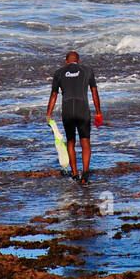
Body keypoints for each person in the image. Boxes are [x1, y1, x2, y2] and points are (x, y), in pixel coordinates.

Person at [46, 50, 103, 184]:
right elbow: (94, 92)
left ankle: (75, 174)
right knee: (85, 142)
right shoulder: (87, 71)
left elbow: (53, 95)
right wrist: (98, 112)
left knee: (71, 141)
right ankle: (84, 175)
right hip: (83, 109)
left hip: (67, 110)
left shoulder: (59, 72)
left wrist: (48, 114)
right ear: (78, 61)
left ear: (66, 61)